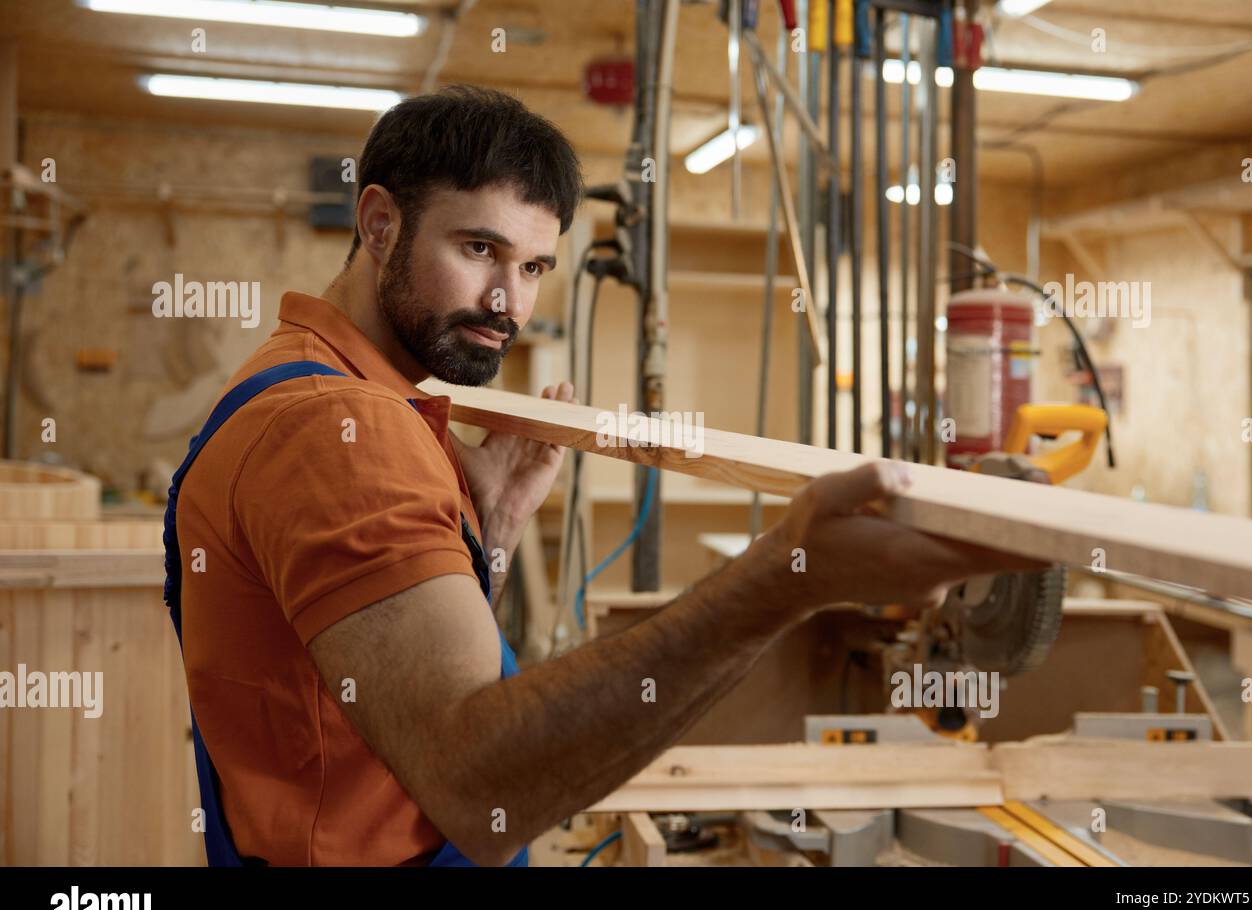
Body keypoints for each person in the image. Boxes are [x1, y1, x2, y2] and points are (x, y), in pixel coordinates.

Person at [172, 84, 1032, 867]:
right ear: (380, 223)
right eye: (480, 248)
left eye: (535, 267)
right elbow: (477, 786)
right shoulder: (337, 429)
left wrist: (495, 535)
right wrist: (788, 575)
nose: (509, 304)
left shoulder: (357, 391)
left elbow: (415, 685)